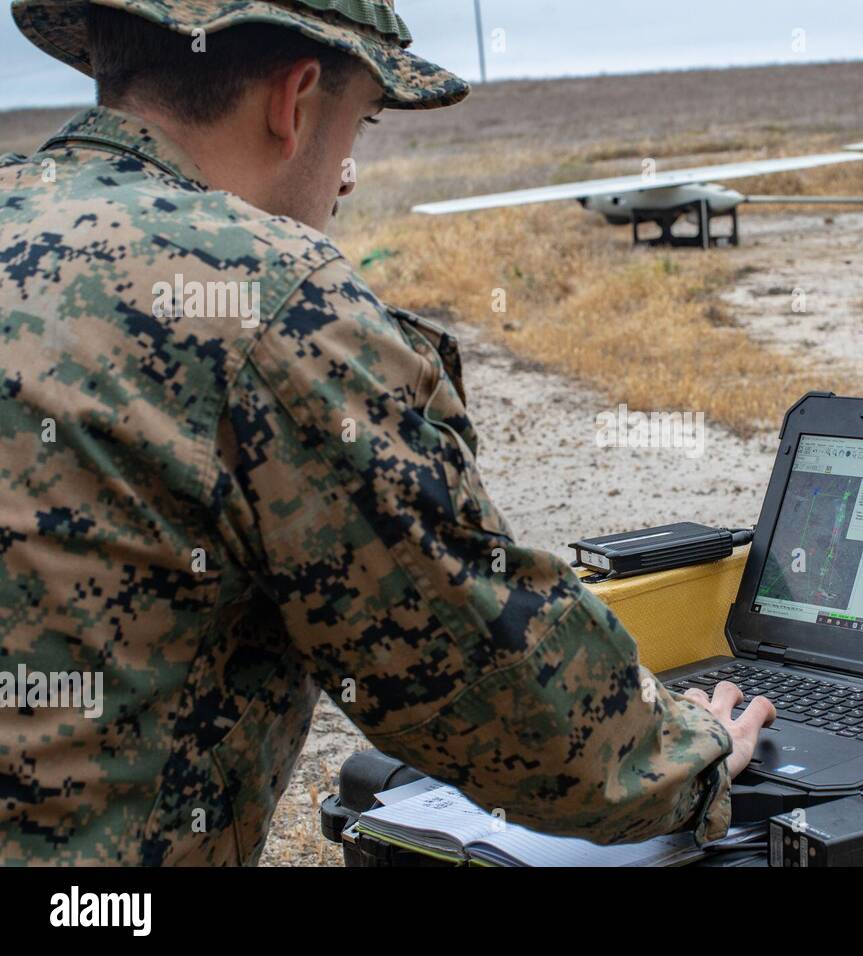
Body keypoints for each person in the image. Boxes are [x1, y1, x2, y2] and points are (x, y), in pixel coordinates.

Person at [0, 0, 774, 865]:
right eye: (360, 122)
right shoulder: (269, 300)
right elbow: (500, 694)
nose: (348, 175)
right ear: (294, 102)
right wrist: (688, 755)